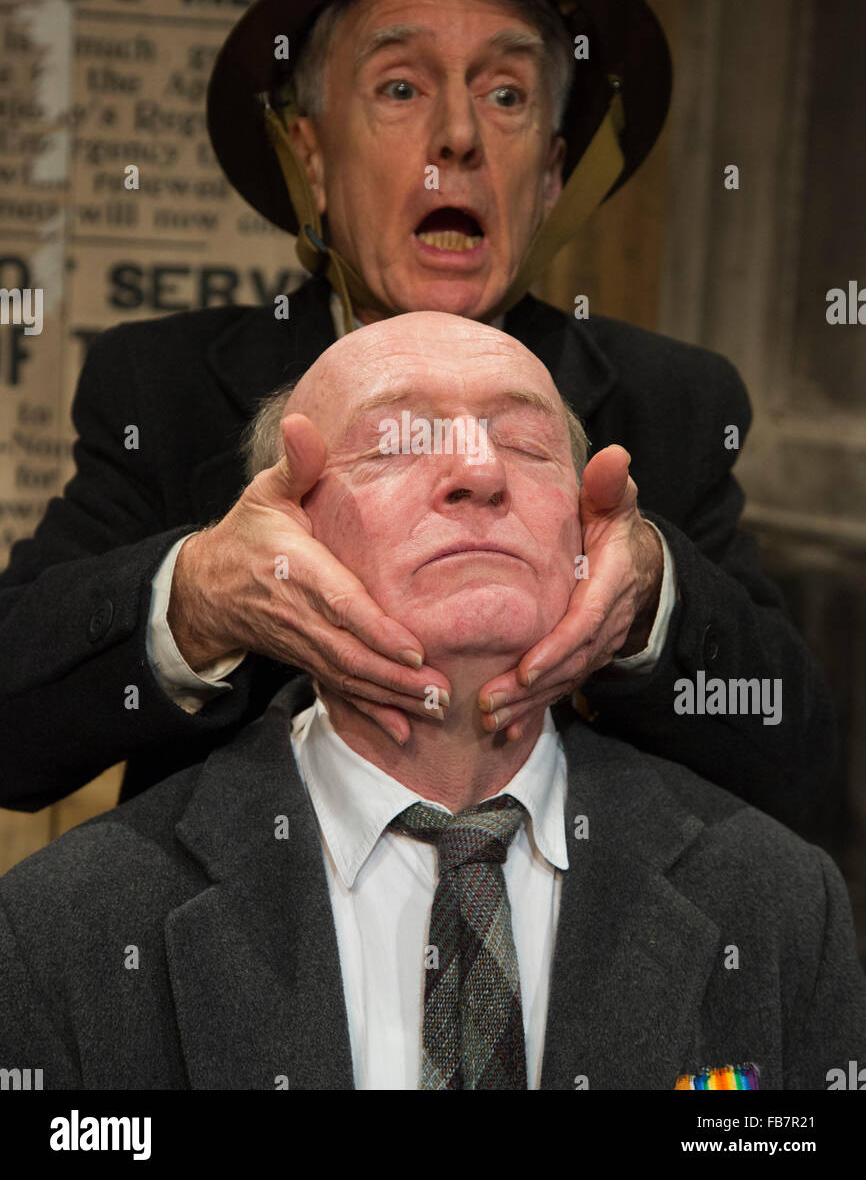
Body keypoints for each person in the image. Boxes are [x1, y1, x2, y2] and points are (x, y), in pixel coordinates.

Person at [0, 0, 834, 825]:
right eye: (400, 87)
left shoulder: (670, 402)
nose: (460, 136)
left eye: (507, 95)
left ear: (551, 176)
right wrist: (199, 598)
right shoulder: (163, 388)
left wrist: (649, 603)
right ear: (312, 159)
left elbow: (798, 771)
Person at [0, 313, 861, 1091]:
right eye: (398, 441)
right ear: (287, 536)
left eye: (525, 442)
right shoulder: (64, 933)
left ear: (592, 531)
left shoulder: (782, 908)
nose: (480, 473)